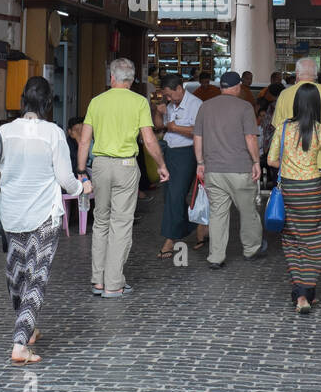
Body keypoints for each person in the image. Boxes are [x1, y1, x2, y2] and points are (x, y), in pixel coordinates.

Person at [0, 77, 91, 365]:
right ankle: (19, 344)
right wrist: (81, 189)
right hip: (44, 216)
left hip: (12, 214)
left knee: (16, 276)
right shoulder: (53, 133)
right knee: (36, 278)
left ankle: (28, 327)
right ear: (49, 103)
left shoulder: (4, 132)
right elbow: (65, 178)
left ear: (23, 99)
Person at [79, 58, 169, 298]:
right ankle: (113, 283)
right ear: (131, 80)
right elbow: (149, 139)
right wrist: (161, 165)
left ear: (111, 77)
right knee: (120, 224)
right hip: (126, 166)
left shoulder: (96, 102)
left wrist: (80, 170)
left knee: (100, 222)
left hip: (99, 165)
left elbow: (85, 140)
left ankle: (97, 281)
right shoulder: (139, 102)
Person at [266, 84, 321, 314]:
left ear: (295, 104)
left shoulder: (283, 129)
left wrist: (291, 166)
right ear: (317, 104)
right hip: (312, 190)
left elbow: (271, 161)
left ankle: (301, 293)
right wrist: (309, 167)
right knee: (315, 241)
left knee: (292, 240)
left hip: (289, 191)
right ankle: (306, 292)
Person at [272, 57, 321, 259]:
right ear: (316, 74)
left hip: (291, 165)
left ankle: (298, 244)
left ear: (296, 74)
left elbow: (277, 130)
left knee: (294, 204)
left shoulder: (285, 94)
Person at [193, 71, 266, 267]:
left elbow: (197, 137)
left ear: (221, 87)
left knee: (217, 213)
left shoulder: (205, 107)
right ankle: (251, 250)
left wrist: (200, 163)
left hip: (213, 170)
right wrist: (256, 162)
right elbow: (251, 137)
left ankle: (216, 257)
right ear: (238, 87)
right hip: (240, 169)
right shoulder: (244, 107)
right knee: (248, 211)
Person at [153, 73, 204, 254]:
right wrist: (158, 113)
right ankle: (188, 224)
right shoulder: (170, 104)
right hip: (168, 150)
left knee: (176, 194)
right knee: (168, 195)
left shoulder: (196, 105)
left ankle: (170, 239)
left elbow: (199, 131)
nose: (167, 98)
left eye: (168, 94)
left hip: (186, 153)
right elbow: (160, 126)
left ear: (179, 89)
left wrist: (175, 128)